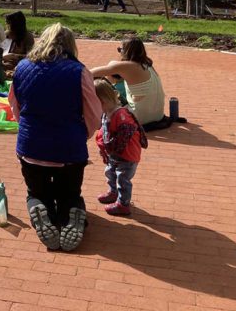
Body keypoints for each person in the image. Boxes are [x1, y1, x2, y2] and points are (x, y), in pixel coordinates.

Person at [9, 23, 101, 252]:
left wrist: (27, 128)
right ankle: (71, 212)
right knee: (70, 194)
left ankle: (41, 208)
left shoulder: (22, 68)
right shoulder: (79, 71)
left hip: (31, 147)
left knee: (36, 192)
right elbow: (94, 113)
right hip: (69, 149)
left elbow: (15, 106)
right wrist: (83, 135)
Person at [93, 79, 147, 216]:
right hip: (115, 155)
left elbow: (125, 133)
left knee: (123, 180)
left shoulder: (120, 115)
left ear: (102, 102)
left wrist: (110, 147)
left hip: (126, 156)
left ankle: (123, 204)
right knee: (110, 173)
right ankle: (113, 192)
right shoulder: (107, 113)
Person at [90, 37, 166, 126]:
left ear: (127, 51)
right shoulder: (147, 64)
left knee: (99, 83)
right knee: (111, 77)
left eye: (120, 49)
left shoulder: (127, 66)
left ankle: (94, 112)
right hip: (157, 116)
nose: (119, 52)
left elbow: (91, 72)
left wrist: (112, 64)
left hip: (138, 117)